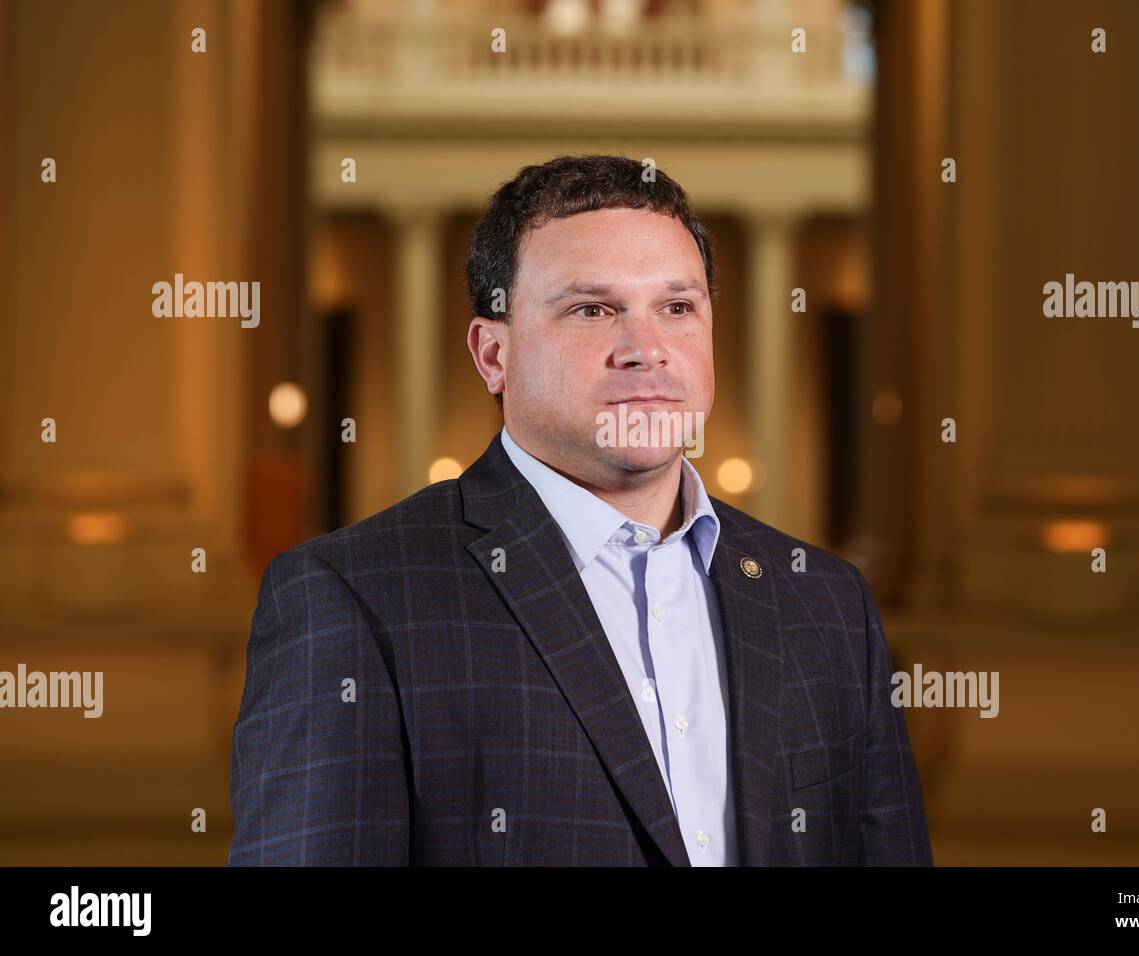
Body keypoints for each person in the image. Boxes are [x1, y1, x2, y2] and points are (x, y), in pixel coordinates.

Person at [228, 154, 932, 866]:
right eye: (592, 309)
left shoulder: (826, 600)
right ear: (493, 354)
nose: (646, 350)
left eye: (679, 307)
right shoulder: (351, 597)